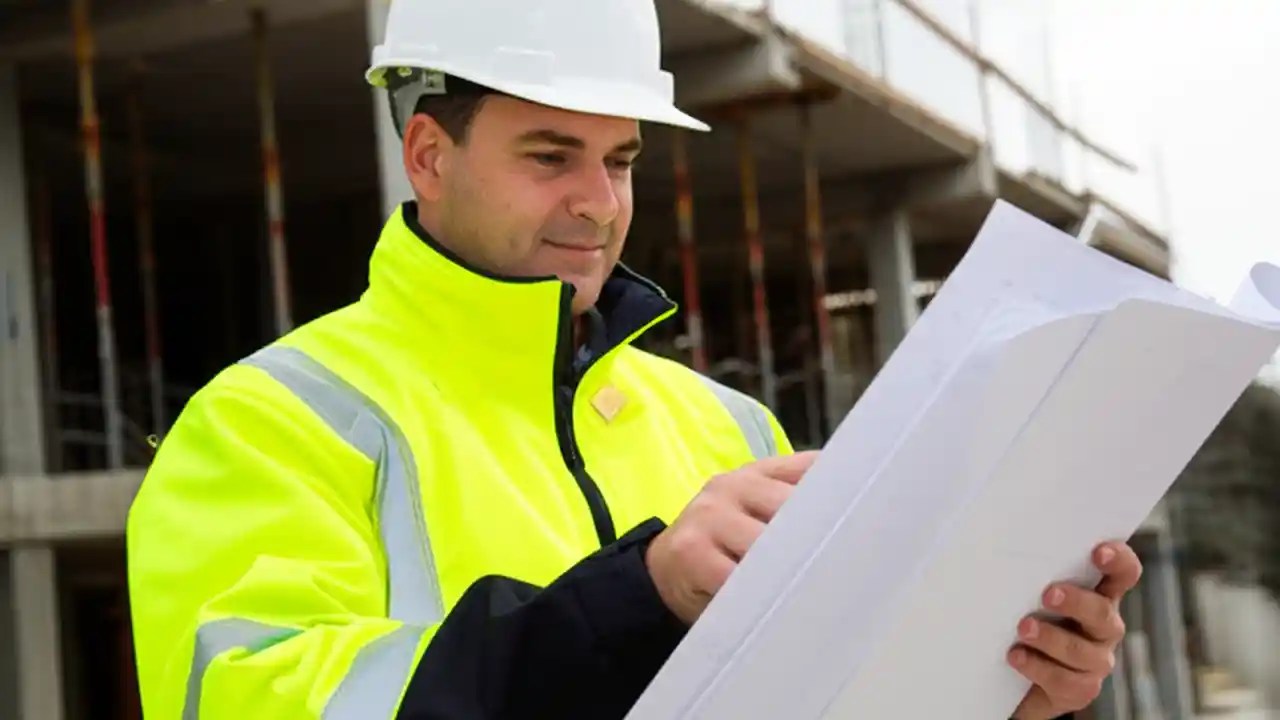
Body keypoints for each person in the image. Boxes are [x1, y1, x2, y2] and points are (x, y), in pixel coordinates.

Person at [126, 1, 1143, 718]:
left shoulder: (731, 429)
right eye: (548, 154)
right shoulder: (269, 422)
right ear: (429, 155)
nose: (599, 203)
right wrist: (635, 598)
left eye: (618, 161)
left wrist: (1003, 690)